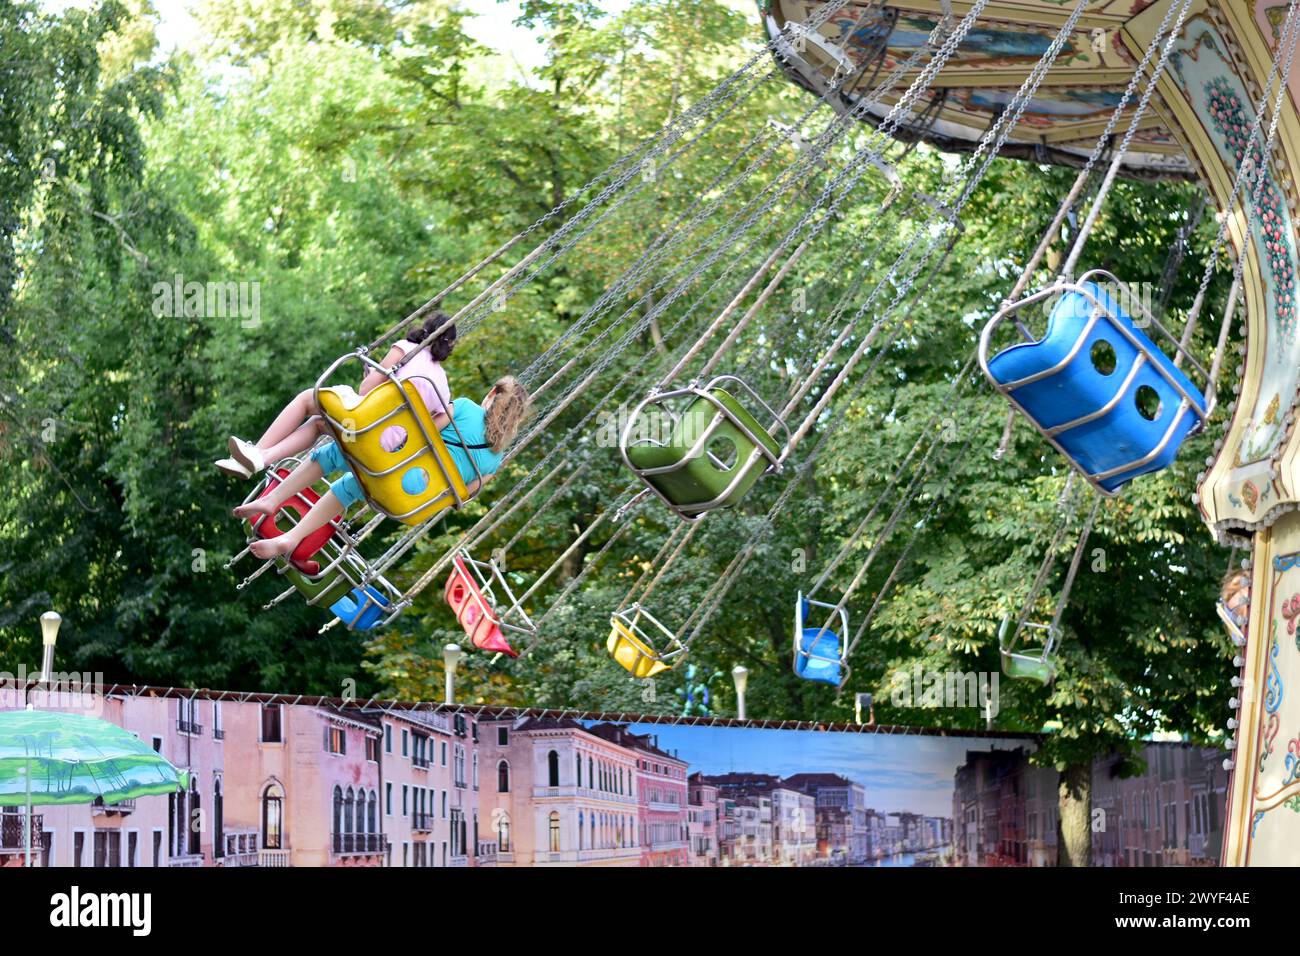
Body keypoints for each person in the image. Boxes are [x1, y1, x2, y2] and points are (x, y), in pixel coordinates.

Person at [235, 377, 532, 559]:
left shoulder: (466, 408)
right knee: (354, 487)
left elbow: (424, 429)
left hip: (391, 466)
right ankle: (290, 538)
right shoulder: (495, 461)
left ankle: (272, 500)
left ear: (493, 394)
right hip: (403, 498)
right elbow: (460, 497)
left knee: (336, 453)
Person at [215, 312, 457, 478]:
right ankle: (258, 460)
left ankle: (257, 451)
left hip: (362, 424)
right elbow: (430, 429)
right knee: (318, 424)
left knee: (307, 399)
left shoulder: (407, 350)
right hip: (377, 448)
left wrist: (371, 373)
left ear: (425, 329)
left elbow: (366, 389)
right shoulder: (442, 388)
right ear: (450, 346)